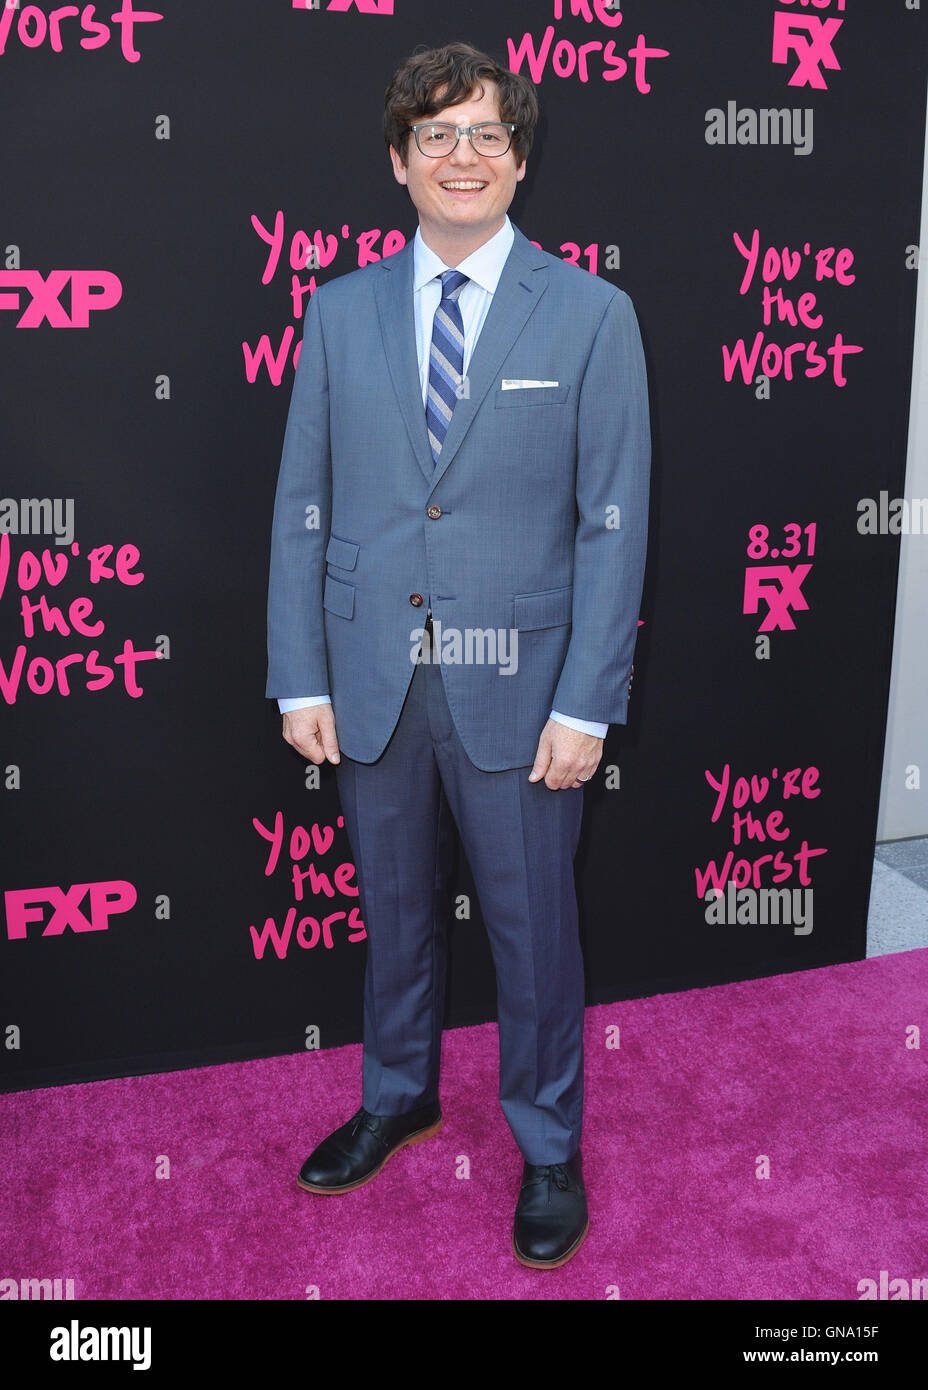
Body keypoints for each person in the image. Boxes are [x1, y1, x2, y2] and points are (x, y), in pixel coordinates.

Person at [266, 40, 651, 1270]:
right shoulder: (336, 310)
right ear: (398, 162)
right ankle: (398, 1093)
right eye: (435, 134)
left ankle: (547, 1143)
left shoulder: (592, 315)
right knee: (393, 915)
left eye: (485, 133)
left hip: (523, 689)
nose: (461, 156)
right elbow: (302, 505)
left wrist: (587, 702)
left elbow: (612, 521)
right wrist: (302, 673)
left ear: (520, 160)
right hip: (372, 679)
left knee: (535, 929)